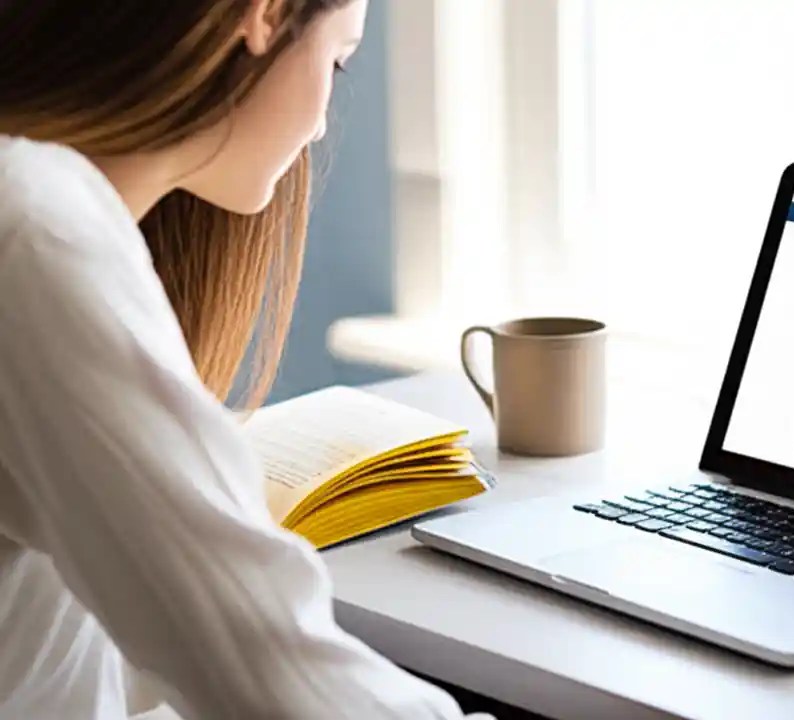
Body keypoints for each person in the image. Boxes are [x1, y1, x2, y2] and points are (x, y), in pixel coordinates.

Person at [0, 2, 489, 718]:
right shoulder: (33, 232)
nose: (322, 123)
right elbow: (275, 678)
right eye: (338, 59)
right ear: (266, 14)